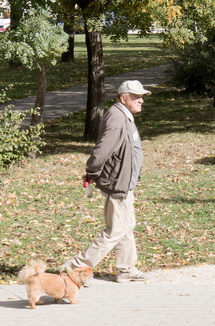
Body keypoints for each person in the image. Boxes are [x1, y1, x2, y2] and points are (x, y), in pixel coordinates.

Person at [61, 79, 150, 283]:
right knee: (115, 230)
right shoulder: (117, 118)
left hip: (124, 182)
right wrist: (92, 170)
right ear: (123, 98)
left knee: (126, 225)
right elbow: (103, 148)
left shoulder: (124, 116)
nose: (141, 101)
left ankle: (126, 269)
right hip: (117, 182)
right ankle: (73, 269)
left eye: (142, 97)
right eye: (136, 97)